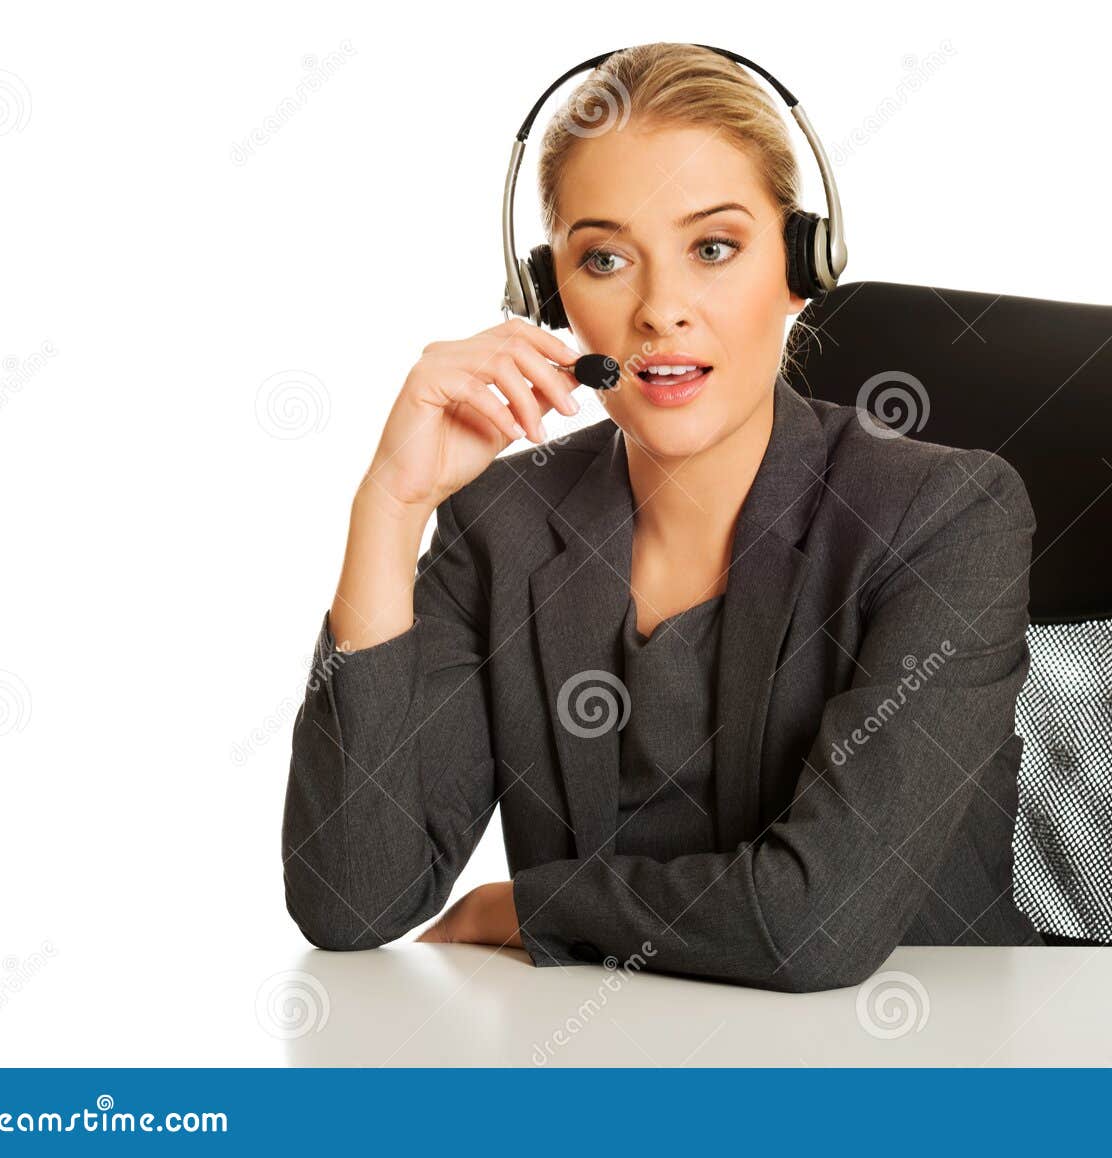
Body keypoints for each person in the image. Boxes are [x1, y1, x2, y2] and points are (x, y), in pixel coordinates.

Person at [281, 42, 1042, 993]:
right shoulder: (504, 523)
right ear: (552, 295)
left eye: (713, 248)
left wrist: (531, 906)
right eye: (605, 259)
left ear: (804, 264)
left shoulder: (943, 516)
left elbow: (815, 926)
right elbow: (351, 900)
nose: (661, 309)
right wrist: (389, 509)